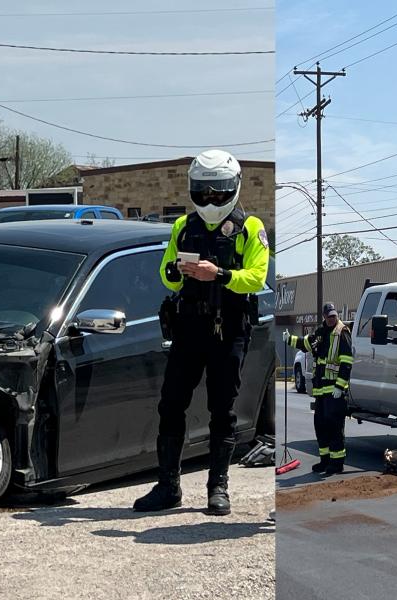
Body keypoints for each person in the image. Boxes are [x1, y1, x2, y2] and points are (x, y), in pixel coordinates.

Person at [133, 149, 269, 516]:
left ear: (234, 188)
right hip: (190, 326)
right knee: (171, 403)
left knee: (221, 409)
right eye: (203, 191)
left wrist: (220, 275)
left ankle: (218, 487)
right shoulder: (183, 226)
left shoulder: (250, 227)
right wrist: (179, 272)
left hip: (229, 328)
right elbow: (164, 272)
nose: (210, 199)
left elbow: (257, 276)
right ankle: (168, 486)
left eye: (218, 191)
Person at [283, 302, 352, 474]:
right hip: (321, 391)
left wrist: (340, 386)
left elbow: (347, 362)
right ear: (324, 317)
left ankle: (337, 464)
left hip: (335, 391)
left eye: (334, 316)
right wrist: (289, 339)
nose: (332, 319)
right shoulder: (321, 332)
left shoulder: (342, 333)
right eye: (329, 316)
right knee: (320, 425)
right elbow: (306, 344)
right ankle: (325, 460)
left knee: (334, 427)